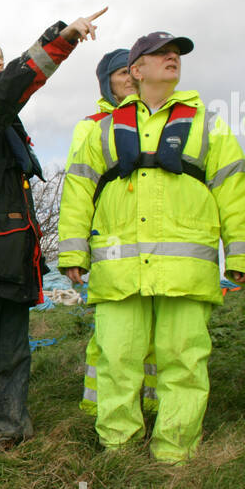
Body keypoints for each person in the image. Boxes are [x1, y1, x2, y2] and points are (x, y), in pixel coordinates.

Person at [59, 33, 245, 462]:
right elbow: (78, 189)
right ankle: (118, 448)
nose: (172, 58)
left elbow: (234, 187)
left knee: (184, 364)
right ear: (136, 70)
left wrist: (243, 252)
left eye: (177, 54)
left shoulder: (207, 123)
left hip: (185, 271)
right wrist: (73, 252)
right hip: (119, 272)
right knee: (117, 361)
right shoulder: (105, 129)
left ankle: (174, 454)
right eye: (160, 54)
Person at [0, 11, 103, 444]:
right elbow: (6, 90)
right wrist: (58, 41)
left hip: (12, 248)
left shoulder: (4, 117)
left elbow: (7, 92)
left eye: (2, 57)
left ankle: (10, 428)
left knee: (13, 348)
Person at [67, 49, 156, 415]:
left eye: (133, 71)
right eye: (121, 73)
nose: (130, 79)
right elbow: (79, 187)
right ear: (107, 82)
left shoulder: (160, 119)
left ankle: (150, 403)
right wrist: (77, 248)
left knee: (154, 332)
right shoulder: (91, 126)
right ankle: (97, 405)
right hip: (112, 241)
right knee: (110, 331)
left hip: (153, 241)